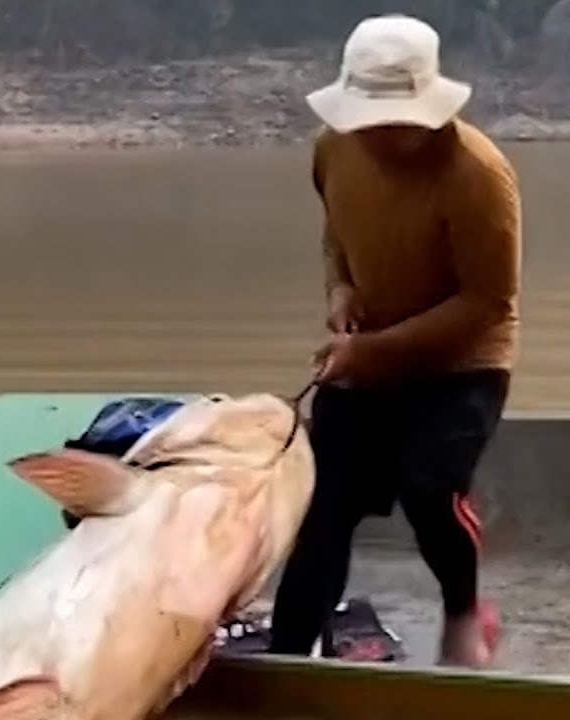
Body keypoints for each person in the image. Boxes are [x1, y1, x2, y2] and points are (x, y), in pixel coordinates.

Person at [267, 14, 520, 669]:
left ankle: (463, 613)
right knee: (321, 499)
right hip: (370, 350)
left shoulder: (477, 175)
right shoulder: (332, 149)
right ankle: (290, 652)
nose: (378, 136)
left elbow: (486, 303)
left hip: (462, 361)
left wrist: (372, 353)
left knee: (430, 486)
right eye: (367, 121)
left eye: (395, 123)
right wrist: (340, 292)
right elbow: (336, 235)